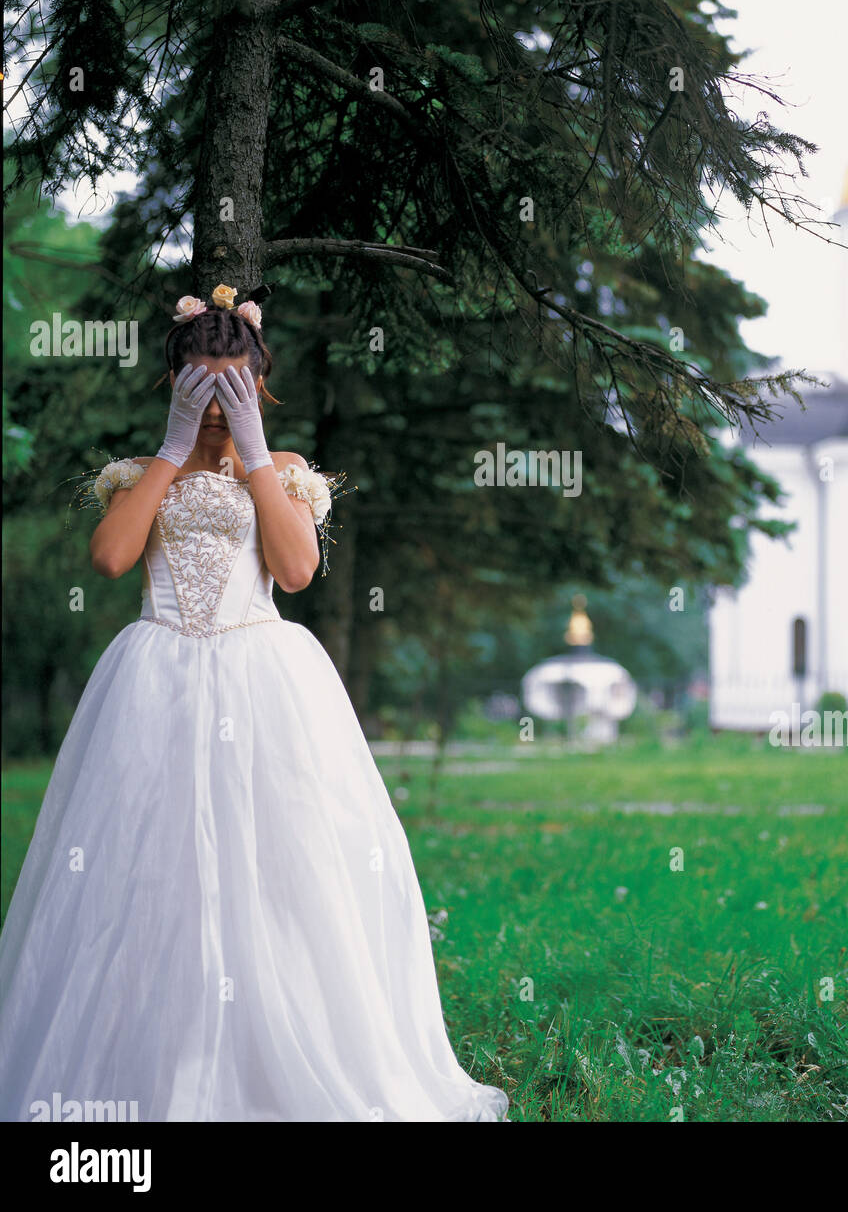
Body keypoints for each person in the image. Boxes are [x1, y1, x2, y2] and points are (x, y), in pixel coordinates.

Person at [0, 288, 509, 1122]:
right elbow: (110, 560)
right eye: (199, 391)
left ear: (259, 389)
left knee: (279, 863)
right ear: (174, 384)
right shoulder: (140, 475)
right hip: (153, 680)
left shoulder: (288, 474)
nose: (212, 410)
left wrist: (258, 453)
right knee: (143, 863)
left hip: (262, 676)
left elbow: (298, 570)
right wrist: (170, 453)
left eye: (231, 390)